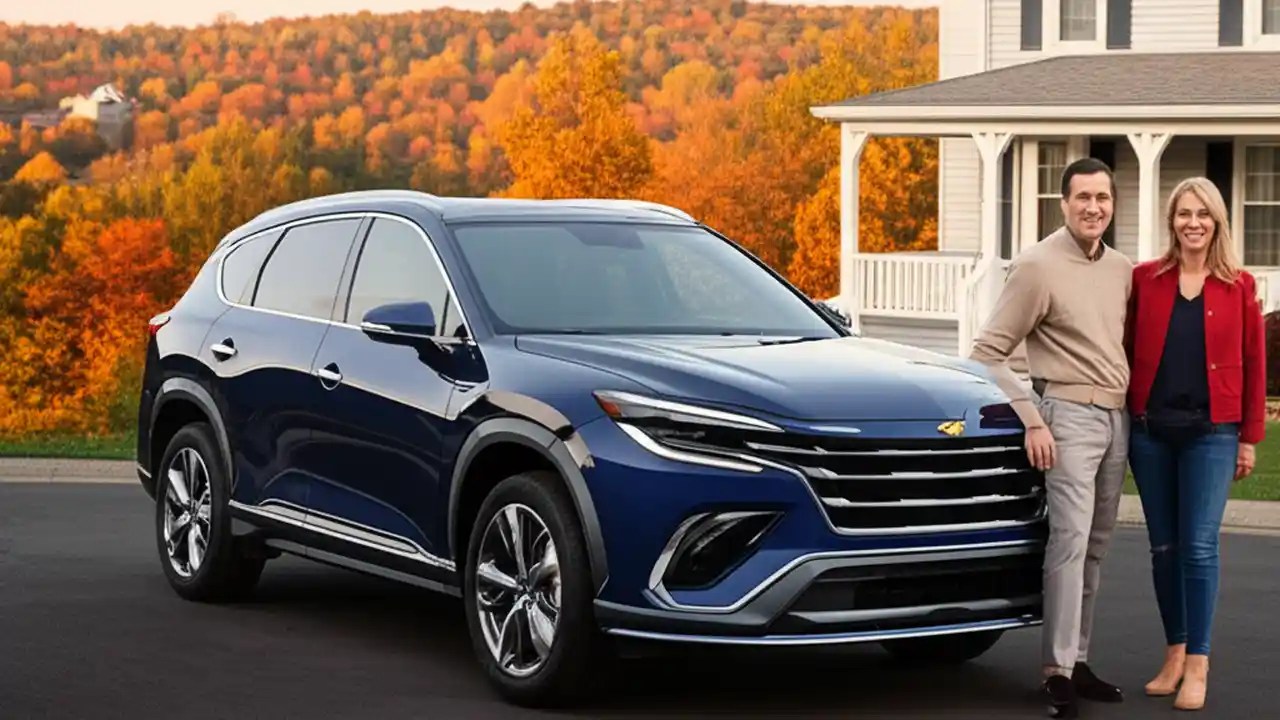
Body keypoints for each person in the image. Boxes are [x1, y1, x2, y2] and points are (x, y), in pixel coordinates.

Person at [969, 156, 1131, 719]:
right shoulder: (1037, 265)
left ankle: (1079, 659)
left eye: (1103, 199)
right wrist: (1032, 417)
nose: (1093, 208)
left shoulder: (1121, 269)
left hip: (1117, 419)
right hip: (1067, 417)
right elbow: (986, 352)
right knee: (1068, 541)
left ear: (1113, 204)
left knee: (1097, 545)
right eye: (1083, 198)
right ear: (1064, 203)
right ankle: (1056, 671)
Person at [1124, 176, 1265, 712]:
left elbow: (1255, 365)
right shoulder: (1146, 280)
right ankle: (1175, 653)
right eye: (1184, 213)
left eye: (1203, 214)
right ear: (1171, 221)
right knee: (1163, 549)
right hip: (1151, 434)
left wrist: (1249, 439)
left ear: (1217, 222)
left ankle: (1200, 662)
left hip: (1213, 434)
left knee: (1200, 546)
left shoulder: (1239, 286)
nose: (1193, 223)